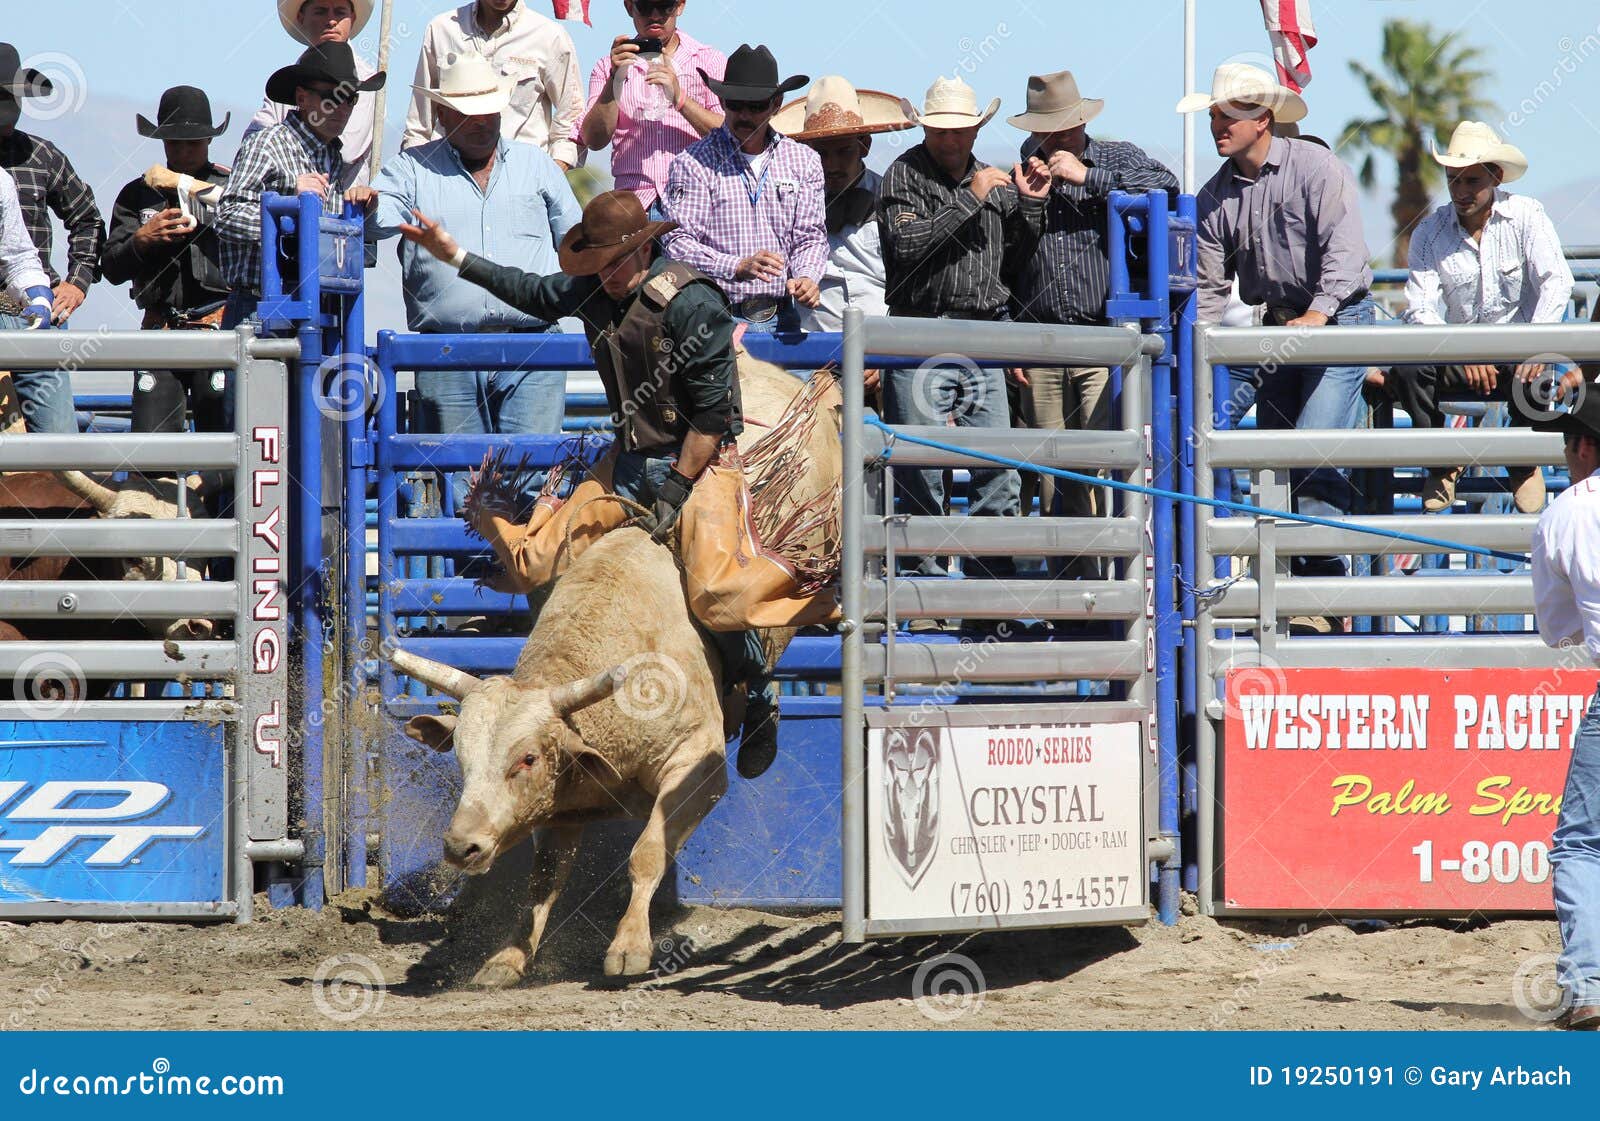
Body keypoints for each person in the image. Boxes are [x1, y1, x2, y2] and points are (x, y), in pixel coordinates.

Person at [395, 190, 812, 779]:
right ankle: (551, 683)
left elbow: (713, 418)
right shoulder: (593, 287)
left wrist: (674, 491)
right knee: (539, 559)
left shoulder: (694, 304)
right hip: (628, 458)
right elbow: (529, 290)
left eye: (615, 263)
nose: (607, 276)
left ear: (643, 250)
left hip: (700, 462)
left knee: (717, 591)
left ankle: (761, 691)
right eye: (598, 264)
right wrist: (453, 254)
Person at [1181, 62, 1376, 626]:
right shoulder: (1214, 197)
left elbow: (1345, 249)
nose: (1217, 123)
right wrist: (1205, 348)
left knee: (1309, 450)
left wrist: (1319, 312)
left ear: (1262, 120)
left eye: (1228, 114)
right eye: (1214, 113)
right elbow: (1209, 289)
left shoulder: (1316, 166)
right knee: (1266, 453)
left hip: (1336, 323)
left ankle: (1324, 594)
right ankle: (1294, 595)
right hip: (1280, 327)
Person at [371, 53, 582, 510]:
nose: (481, 123)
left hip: (533, 344)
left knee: (533, 479)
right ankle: (470, 577)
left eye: (488, 112)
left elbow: (578, 245)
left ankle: (522, 578)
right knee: (462, 489)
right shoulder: (409, 170)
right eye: (468, 114)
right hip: (448, 348)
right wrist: (362, 200)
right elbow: (374, 220)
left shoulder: (538, 166)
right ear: (443, 114)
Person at [876, 76, 1050, 579]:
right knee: (920, 470)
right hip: (919, 331)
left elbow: (1015, 260)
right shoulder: (902, 176)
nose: (950, 140)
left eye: (959, 131)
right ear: (926, 129)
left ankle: (989, 589)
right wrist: (970, 199)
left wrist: (1032, 205)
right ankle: (926, 593)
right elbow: (906, 248)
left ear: (975, 131)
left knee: (998, 470)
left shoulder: (994, 183)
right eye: (940, 131)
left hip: (984, 333)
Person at [1005, 70, 1177, 577]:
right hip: (1042, 340)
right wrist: (1029, 205)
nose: (1052, 138)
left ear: (1081, 123)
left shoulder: (1117, 156)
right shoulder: (1022, 167)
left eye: (1060, 127)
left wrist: (1089, 178)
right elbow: (1010, 256)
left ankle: (1113, 585)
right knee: (1054, 472)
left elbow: (1167, 190)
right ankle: (1072, 590)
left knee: (1104, 462)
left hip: (1104, 339)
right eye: (1044, 129)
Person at [1388, 122, 1574, 514]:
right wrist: (1459, 353)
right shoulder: (1429, 231)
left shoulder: (1527, 215)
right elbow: (1420, 307)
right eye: (1453, 180)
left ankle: (1523, 462)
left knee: (1541, 368)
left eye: (1471, 180)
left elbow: (1556, 282)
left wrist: (1533, 347)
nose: (1459, 191)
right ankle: (1441, 463)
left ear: (1497, 177)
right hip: (1458, 357)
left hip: (1519, 352)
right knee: (1406, 368)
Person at [659, 44, 825, 333]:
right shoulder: (693, 162)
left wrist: (807, 277)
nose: (744, 115)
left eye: (756, 106)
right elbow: (676, 243)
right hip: (714, 320)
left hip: (784, 319)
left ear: (776, 104)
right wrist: (735, 266)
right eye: (735, 104)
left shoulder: (804, 160)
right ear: (722, 102)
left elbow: (810, 237)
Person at [103, 87, 234, 436]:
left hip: (221, 331)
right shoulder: (137, 194)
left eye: (192, 142)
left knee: (224, 445)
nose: (184, 150)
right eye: (175, 142)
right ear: (162, 142)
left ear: (208, 139)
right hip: (160, 330)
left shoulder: (233, 189)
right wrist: (141, 241)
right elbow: (112, 268)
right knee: (151, 450)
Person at [1530, 391, 1600, 1032]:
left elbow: (1559, 634)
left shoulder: (1566, 514)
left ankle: (1586, 985)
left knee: (1582, 842)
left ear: (1583, 445)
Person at [218, 42, 385, 307]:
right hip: (259, 308)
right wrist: (288, 207)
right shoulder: (266, 144)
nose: (342, 109)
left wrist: (359, 209)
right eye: (332, 97)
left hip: (319, 306)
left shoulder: (333, 158)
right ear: (302, 98)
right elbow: (226, 218)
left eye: (350, 98)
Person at [0, 42, 104, 433]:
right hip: (27, 304)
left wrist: (76, 285)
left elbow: (87, 219)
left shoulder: (42, 155)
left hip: (28, 307)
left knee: (58, 437)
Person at [771, 75, 913, 341]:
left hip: (882, 346)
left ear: (865, 146)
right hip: (810, 349)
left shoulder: (892, 199)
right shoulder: (786, 202)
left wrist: (884, 355)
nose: (832, 166)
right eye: (821, 154)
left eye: (844, 152)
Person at [578, 0, 726, 211]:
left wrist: (680, 99)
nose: (655, 15)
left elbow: (729, 137)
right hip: (632, 207)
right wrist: (614, 78)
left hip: (695, 202)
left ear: (680, 6)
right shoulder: (606, 67)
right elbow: (593, 139)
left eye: (665, 5)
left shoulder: (709, 61)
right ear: (629, 7)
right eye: (646, 6)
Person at [403, 0, 584, 171]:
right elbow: (419, 125)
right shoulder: (441, 29)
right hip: (446, 175)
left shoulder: (550, 36)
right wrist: (418, 177)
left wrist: (551, 172)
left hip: (522, 176)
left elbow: (572, 117)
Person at [245, 2, 381, 190]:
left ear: (353, 18)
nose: (331, 21)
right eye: (321, 11)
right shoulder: (296, 71)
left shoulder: (363, 78)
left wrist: (283, 170)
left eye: (340, 12)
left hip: (341, 208)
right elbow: (254, 143)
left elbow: (345, 151)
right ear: (301, 18)